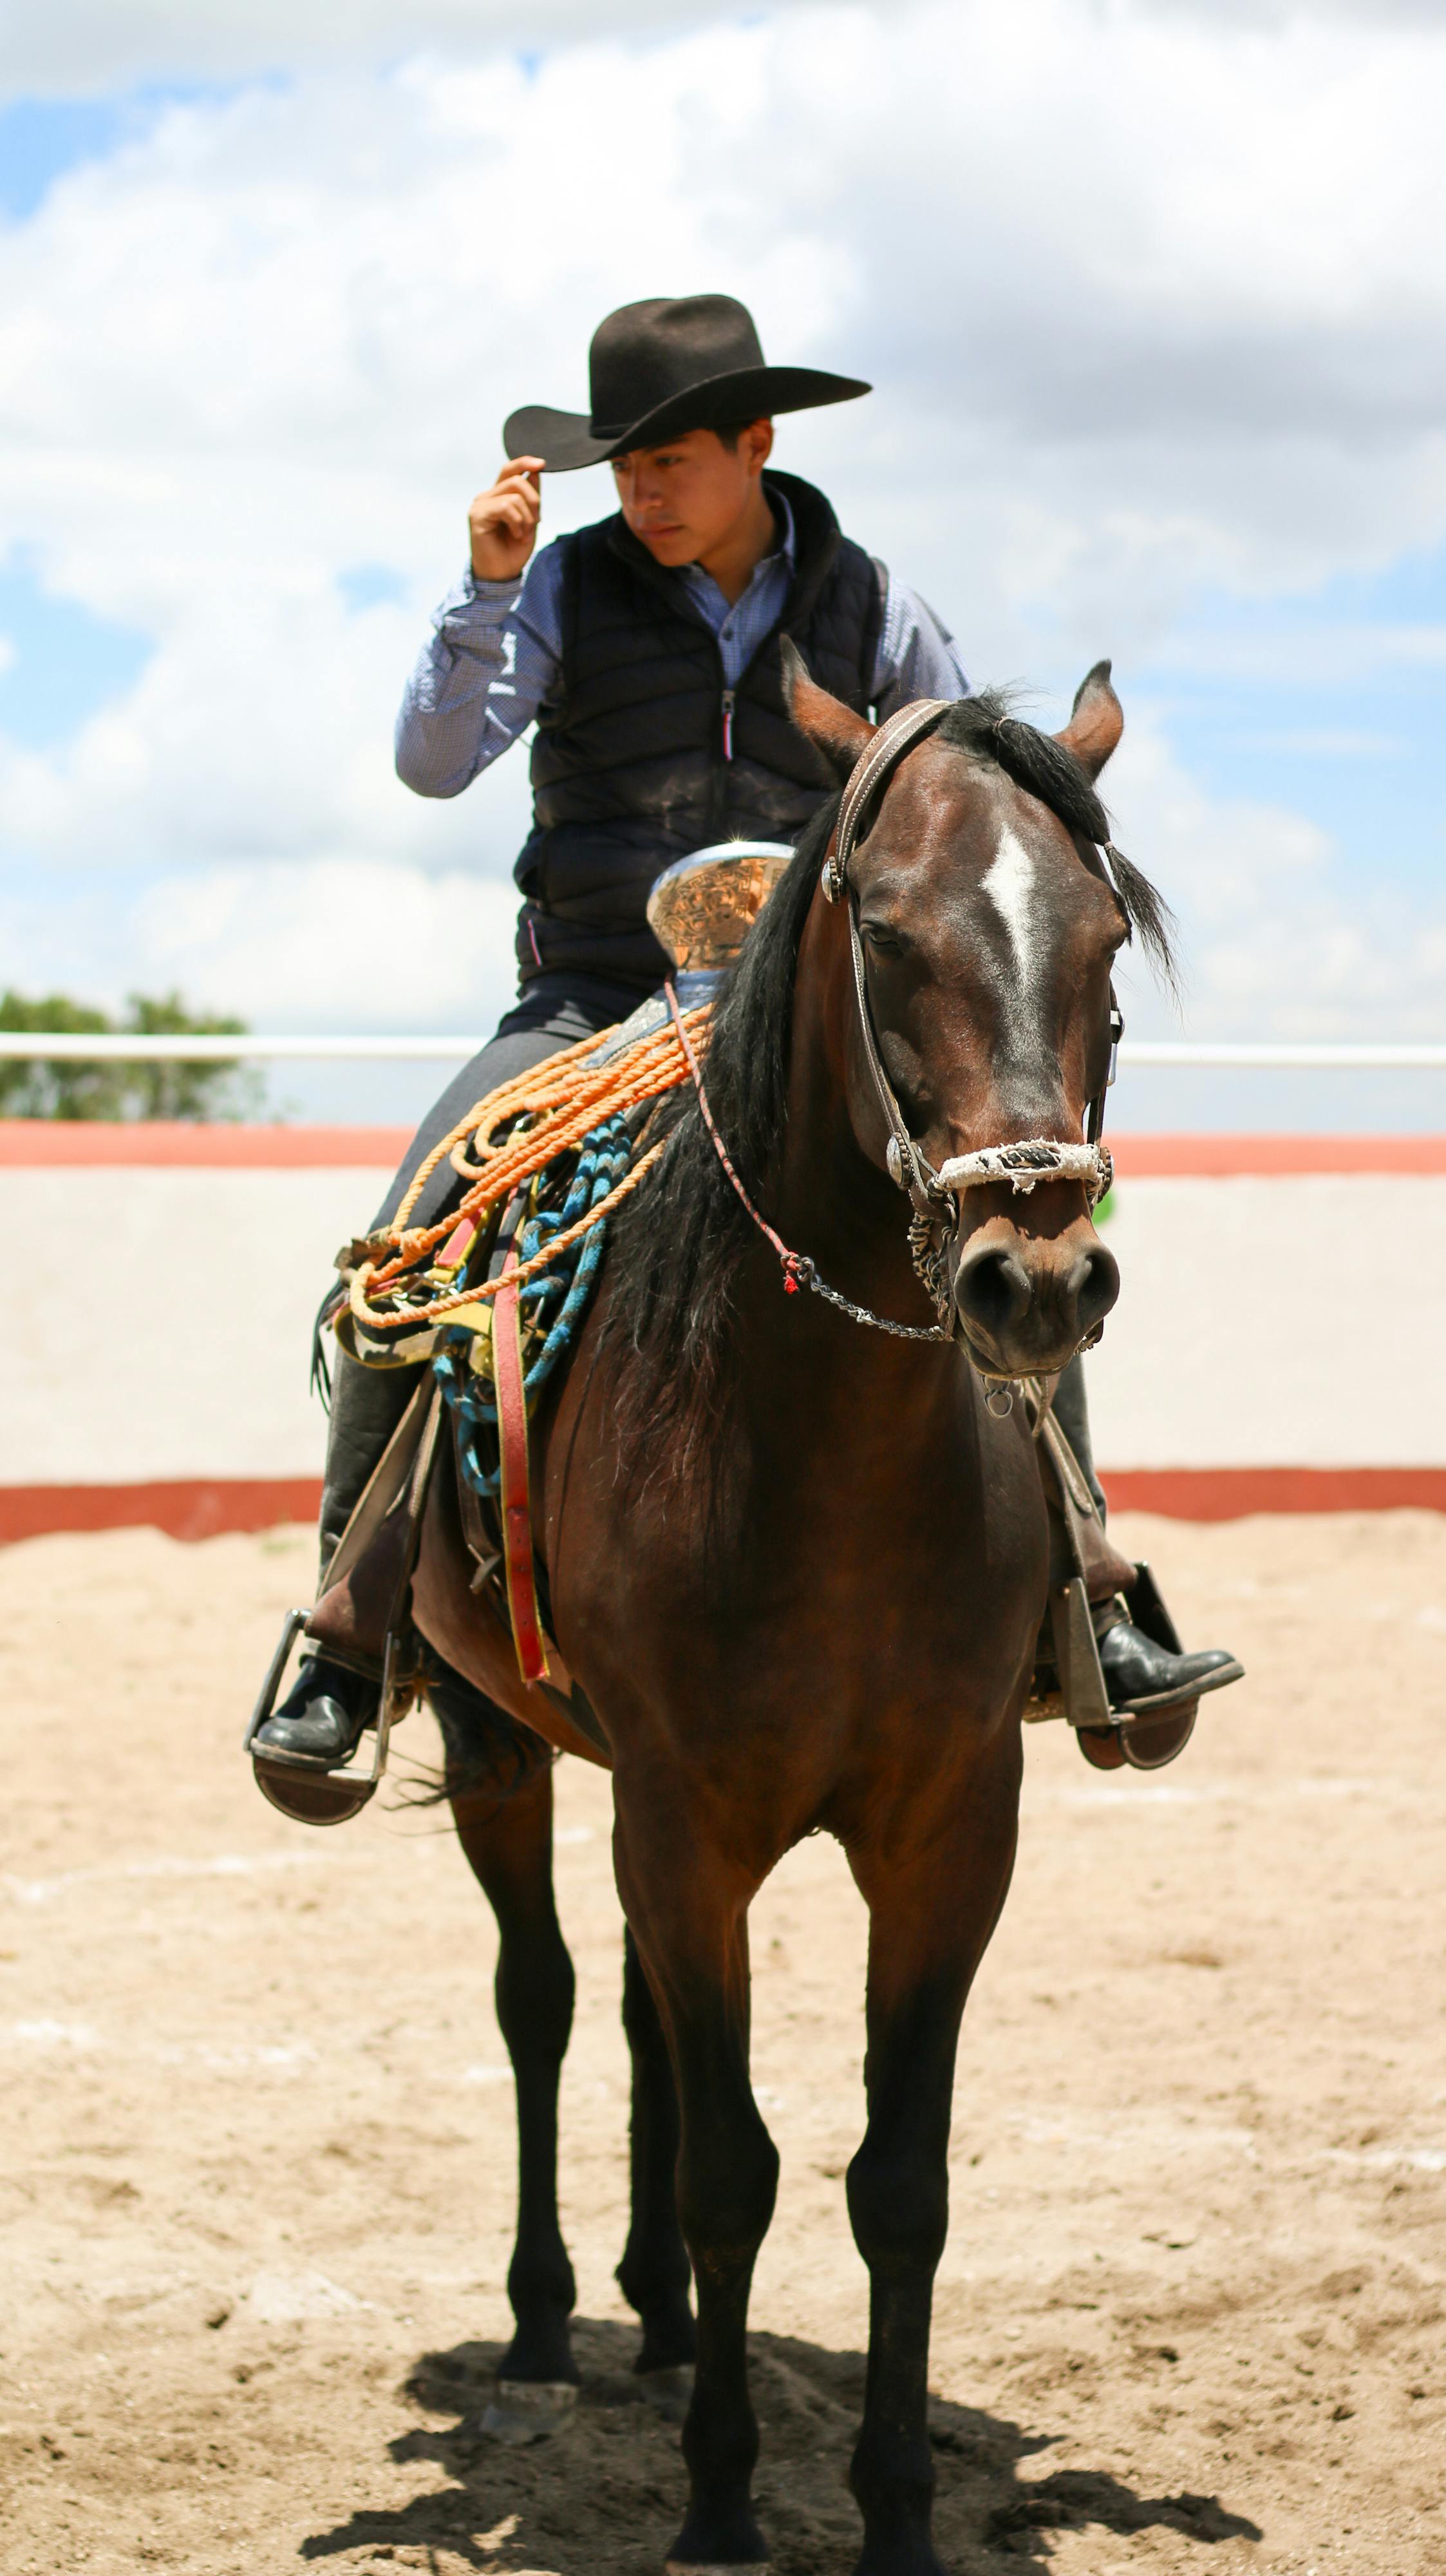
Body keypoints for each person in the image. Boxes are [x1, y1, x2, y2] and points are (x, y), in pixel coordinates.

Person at [256, 292, 1237, 1768]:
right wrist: (481, 588)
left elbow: (955, 795)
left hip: (807, 1028)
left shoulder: (875, 605)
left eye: (670, 461)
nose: (641, 492)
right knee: (421, 1217)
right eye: (624, 466)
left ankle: (1088, 1591)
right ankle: (347, 1624)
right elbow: (433, 762)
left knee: (1007, 1206)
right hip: (590, 1002)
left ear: (755, 445)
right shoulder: (559, 590)